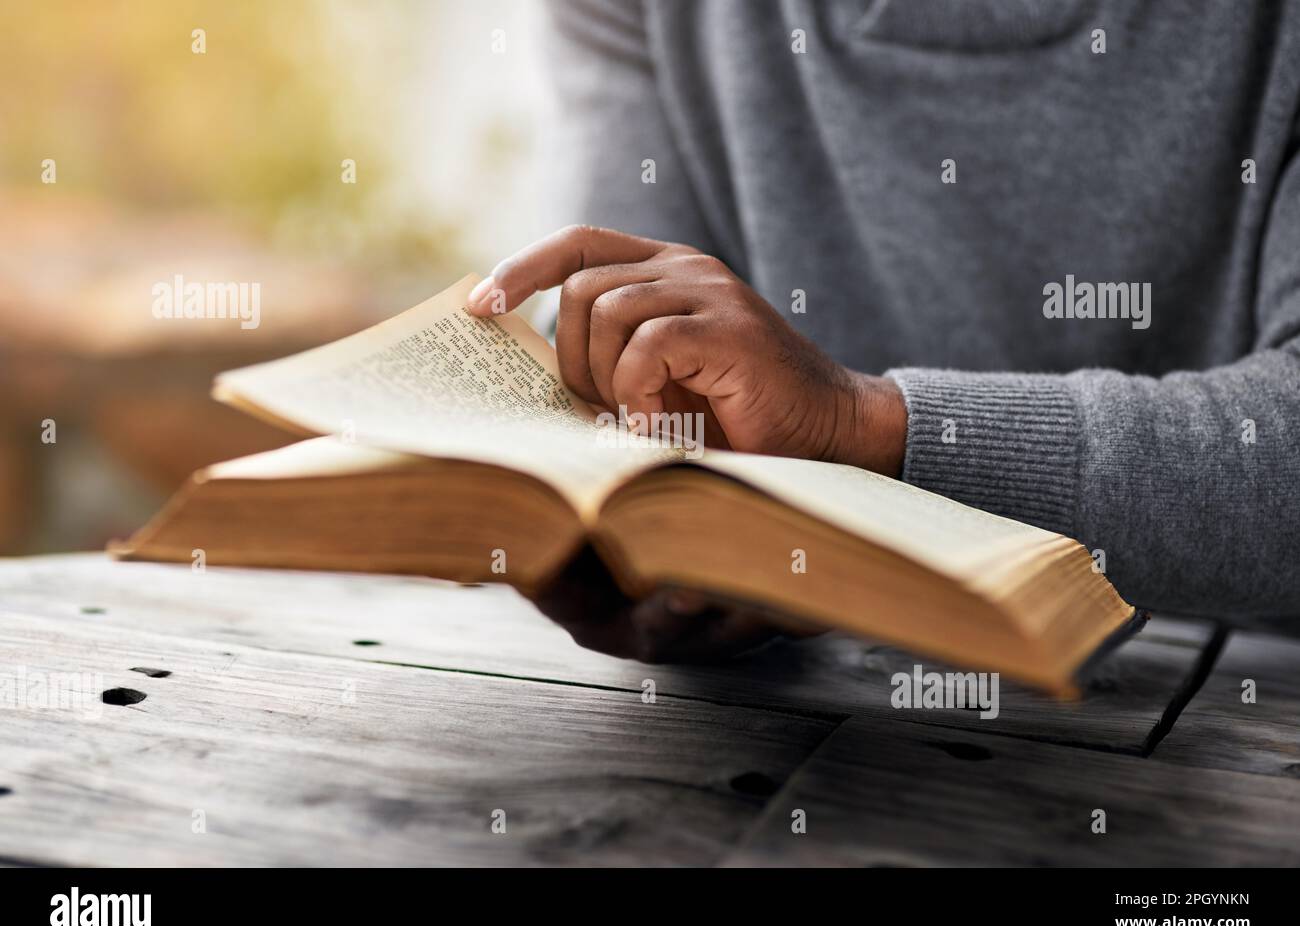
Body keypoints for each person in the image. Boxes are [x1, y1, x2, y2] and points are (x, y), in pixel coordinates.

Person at [469, 0, 1300, 662]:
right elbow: (626, 333)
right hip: (811, 706)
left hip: (1239, 713)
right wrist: (645, 532)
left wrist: (859, 430)